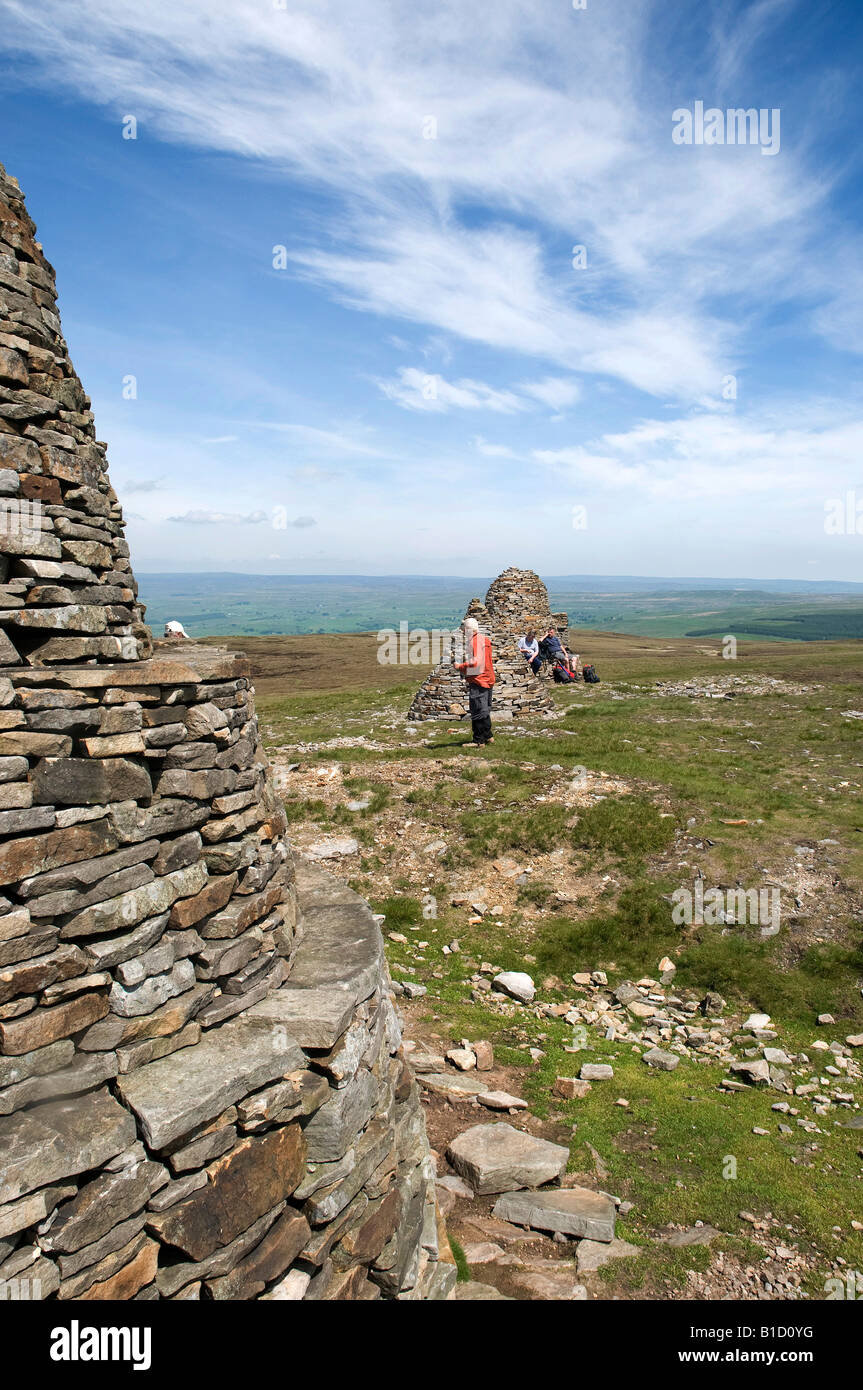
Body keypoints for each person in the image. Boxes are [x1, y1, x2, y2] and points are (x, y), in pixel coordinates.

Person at [455, 616, 495, 746]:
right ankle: (488, 736)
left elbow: (476, 661)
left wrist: (460, 666)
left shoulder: (474, 641)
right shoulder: (485, 639)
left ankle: (478, 740)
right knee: (484, 709)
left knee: (477, 710)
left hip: (478, 679)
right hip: (488, 678)